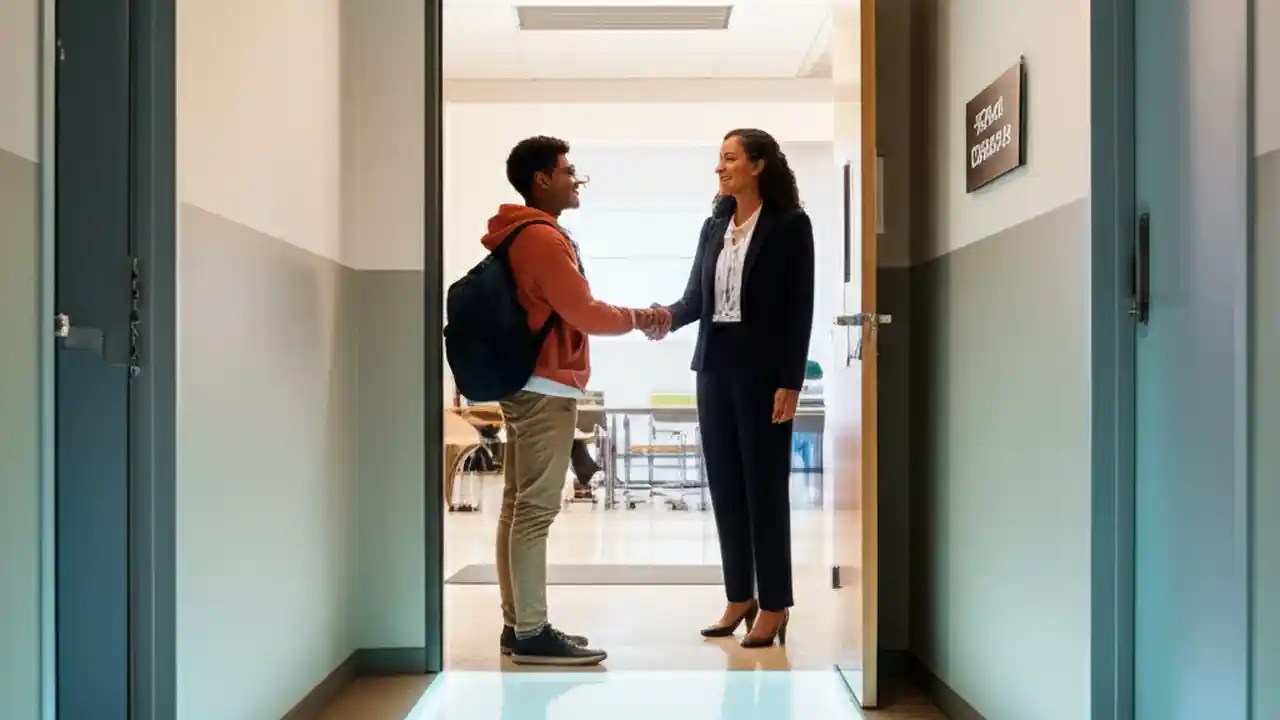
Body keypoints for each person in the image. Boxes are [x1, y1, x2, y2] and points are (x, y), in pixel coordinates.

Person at [486, 135, 669, 666]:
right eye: (567, 171)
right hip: (545, 388)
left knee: (517, 507)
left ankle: (516, 624)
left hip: (524, 385)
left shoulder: (516, 233)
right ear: (541, 180)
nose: (576, 179)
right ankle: (532, 631)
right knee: (535, 512)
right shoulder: (542, 239)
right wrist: (642, 318)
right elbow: (584, 312)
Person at [647, 128, 814, 648]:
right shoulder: (715, 224)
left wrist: (790, 380)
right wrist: (663, 318)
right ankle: (739, 594)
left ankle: (775, 604)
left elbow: (798, 309)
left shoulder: (790, 225)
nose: (720, 168)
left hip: (764, 376)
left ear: (759, 165)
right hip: (714, 370)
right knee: (725, 489)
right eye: (719, 160)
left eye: (730, 158)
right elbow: (697, 297)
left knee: (764, 491)